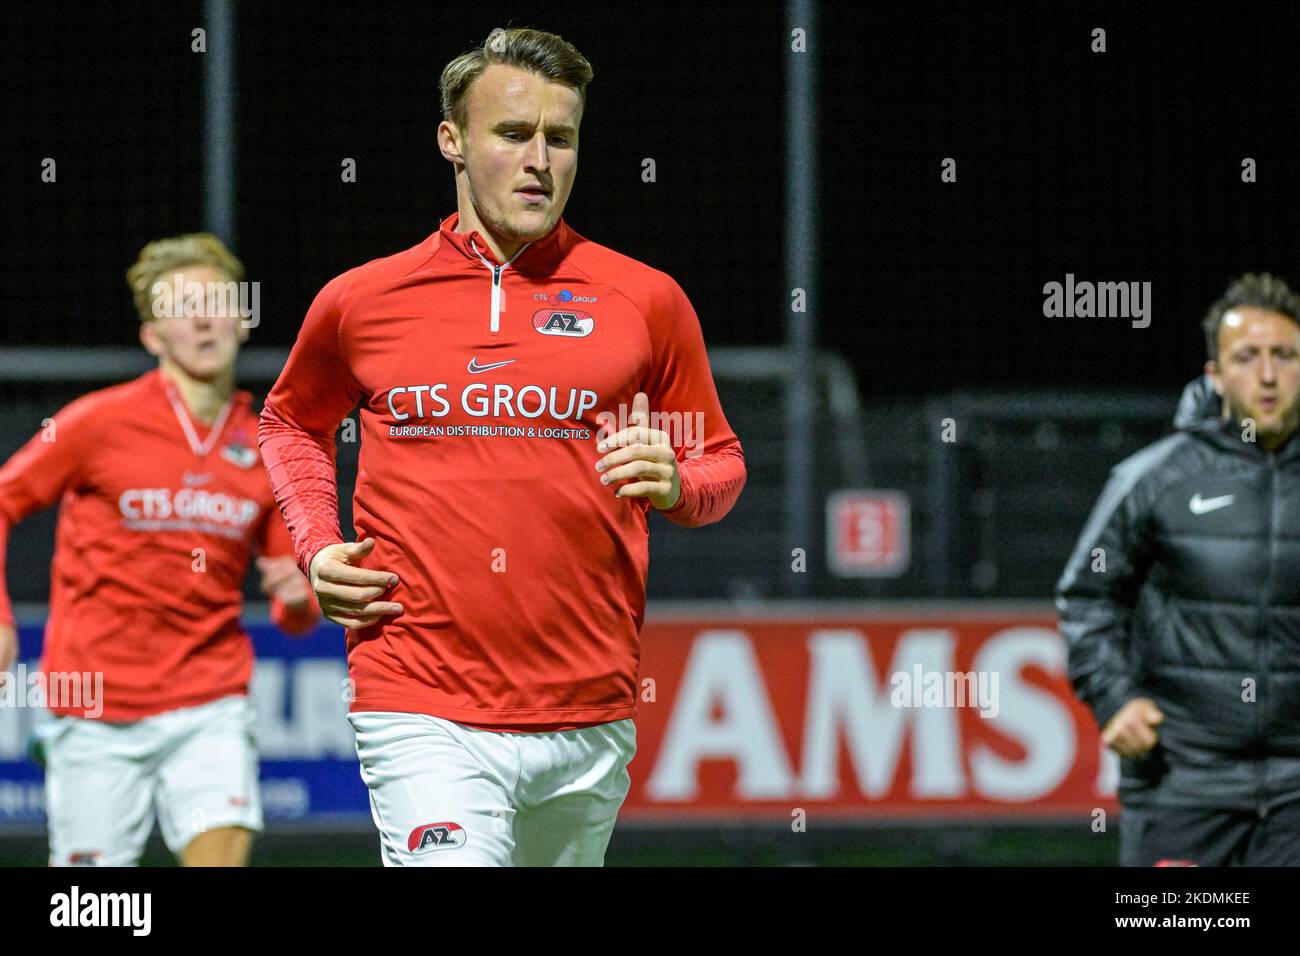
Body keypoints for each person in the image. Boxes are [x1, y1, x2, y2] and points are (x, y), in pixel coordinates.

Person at [259, 26, 746, 867]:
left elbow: (721, 462)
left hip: (588, 710)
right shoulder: (361, 300)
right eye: (513, 133)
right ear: (452, 140)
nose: (540, 160)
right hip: (417, 698)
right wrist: (317, 545)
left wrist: (676, 482)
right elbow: (291, 422)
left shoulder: (646, 299)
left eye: (561, 137)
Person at [0, 233, 319, 866]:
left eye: (218, 301)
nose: (204, 318)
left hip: (210, 702)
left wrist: (302, 598)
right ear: (153, 336)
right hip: (91, 705)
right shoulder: (96, 422)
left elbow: (296, 606)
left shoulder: (269, 446)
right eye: (182, 307)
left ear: (242, 317)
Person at [1057, 272, 1300, 866]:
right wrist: (1115, 699)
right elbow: (1088, 596)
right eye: (1247, 357)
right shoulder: (1155, 478)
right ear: (1215, 376)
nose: (1268, 375)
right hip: (1185, 780)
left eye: (1285, 355)